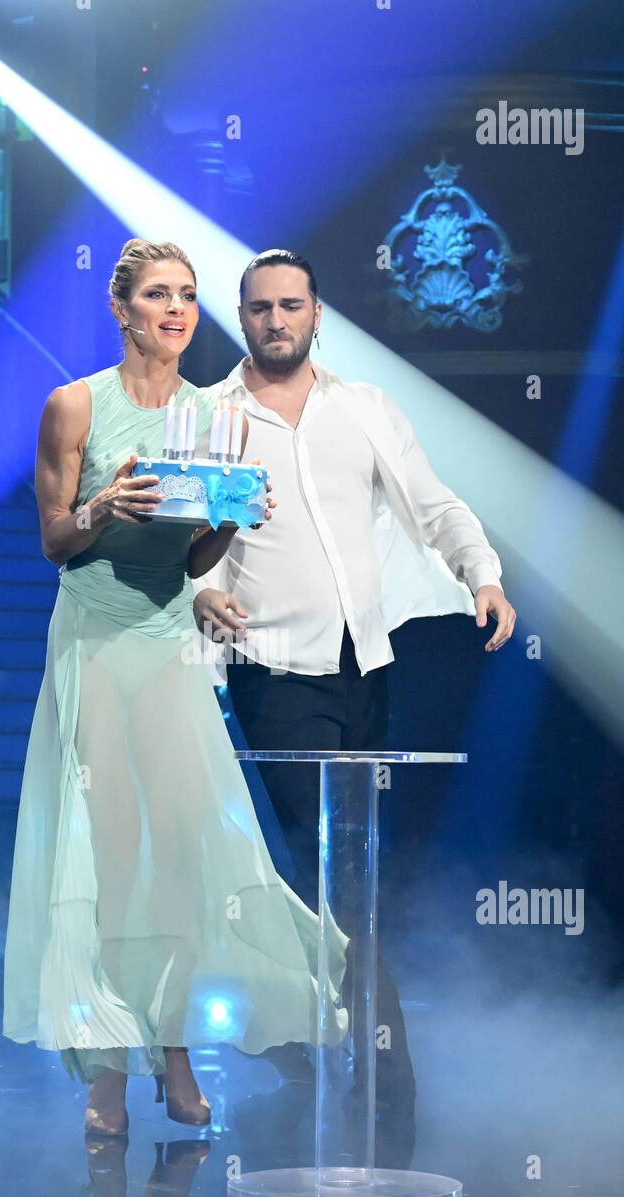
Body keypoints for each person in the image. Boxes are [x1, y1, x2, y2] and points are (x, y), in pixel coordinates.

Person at [2, 239, 349, 1138]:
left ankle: (175, 1050)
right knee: (113, 858)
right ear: (122, 310)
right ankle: (110, 1074)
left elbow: (195, 557)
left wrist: (229, 529)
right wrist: (102, 507)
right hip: (93, 642)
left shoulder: (217, 418)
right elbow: (54, 541)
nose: (178, 310)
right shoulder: (73, 406)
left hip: (167, 648)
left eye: (189, 296)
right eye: (159, 295)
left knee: (186, 860)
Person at [192, 249, 516, 1089]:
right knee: (325, 873)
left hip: (365, 667)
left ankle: (313, 1041)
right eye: (260, 307)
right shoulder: (213, 416)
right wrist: (203, 596)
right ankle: (381, 1077)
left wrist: (482, 573)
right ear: (243, 316)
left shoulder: (365, 408)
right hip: (275, 670)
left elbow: (433, 503)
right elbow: (194, 541)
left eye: (290, 305)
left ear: (316, 313)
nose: (275, 320)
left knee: (352, 877)